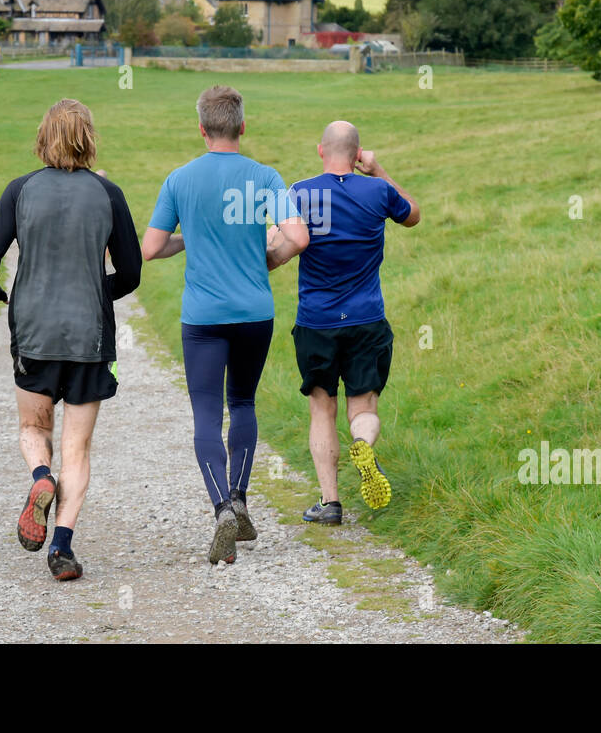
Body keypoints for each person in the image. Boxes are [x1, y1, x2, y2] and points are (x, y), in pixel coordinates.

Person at [0, 99, 141, 581]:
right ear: (89, 139)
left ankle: (40, 478)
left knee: (33, 430)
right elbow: (130, 272)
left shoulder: (19, 190)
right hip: (89, 337)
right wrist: (96, 292)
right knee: (79, 450)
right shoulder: (109, 193)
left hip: (34, 334)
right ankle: (62, 549)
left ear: (43, 137)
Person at [142, 85, 308, 564]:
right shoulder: (265, 176)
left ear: (201, 128)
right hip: (255, 312)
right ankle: (239, 498)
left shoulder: (180, 179)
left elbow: (152, 248)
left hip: (204, 319)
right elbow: (298, 235)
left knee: (206, 413)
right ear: (241, 127)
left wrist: (189, 239)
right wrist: (269, 260)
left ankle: (220, 511)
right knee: (243, 401)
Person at [272, 120, 420, 525]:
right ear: (358, 155)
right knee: (363, 404)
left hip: (316, 321)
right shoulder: (378, 191)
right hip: (366, 318)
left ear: (321, 150)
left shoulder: (300, 192)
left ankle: (330, 503)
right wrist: (380, 171)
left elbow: (278, 244)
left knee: (322, 408)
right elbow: (414, 216)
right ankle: (363, 444)